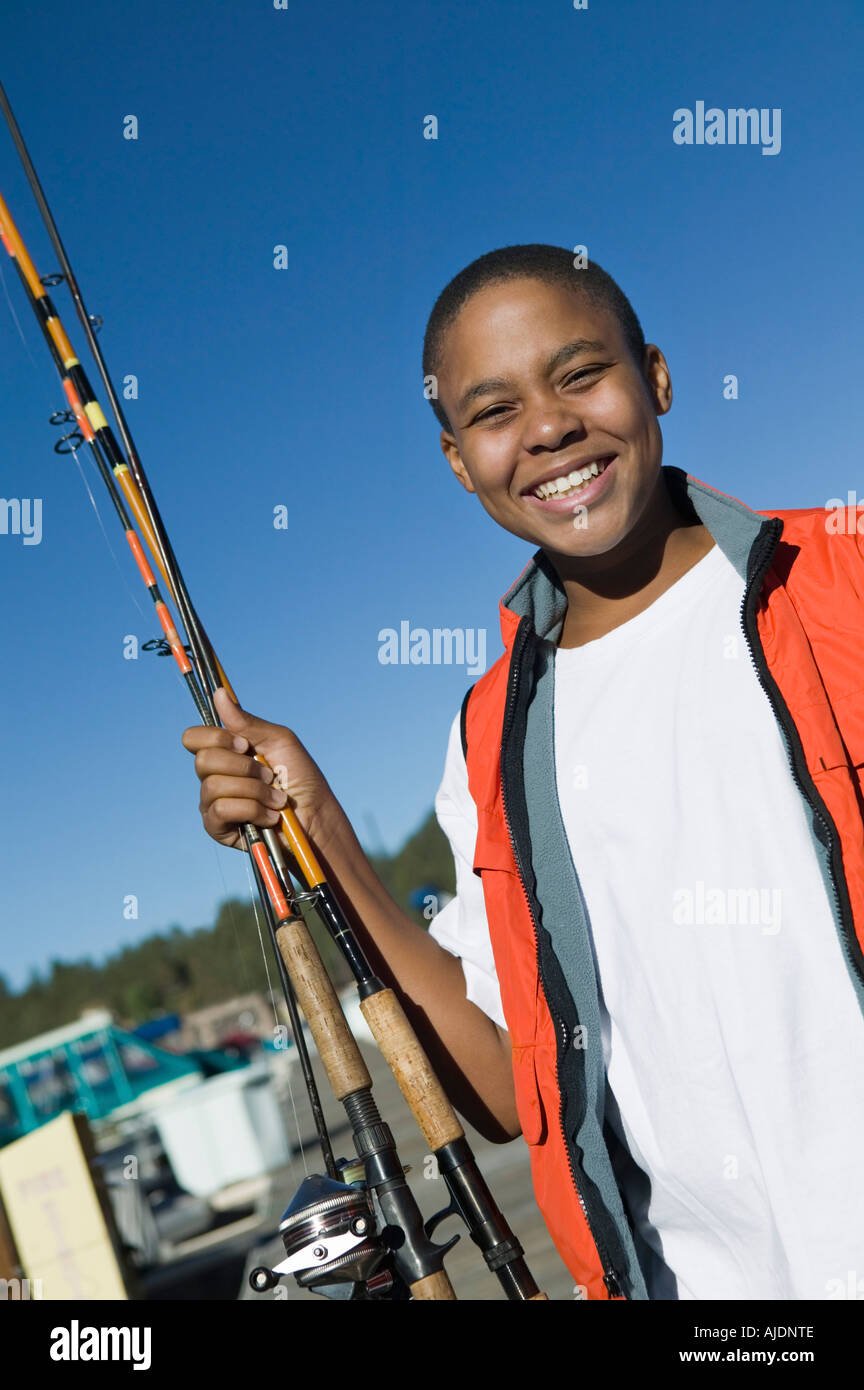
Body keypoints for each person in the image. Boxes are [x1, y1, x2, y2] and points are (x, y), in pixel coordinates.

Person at [182, 245, 864, 1301]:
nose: (548, 427)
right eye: (495, 409)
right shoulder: (488, 736)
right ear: (458, 459)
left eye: (582, 373)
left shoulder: (849, 581)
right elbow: (505, 1088)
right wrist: (319, 827)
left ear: (659, 377)